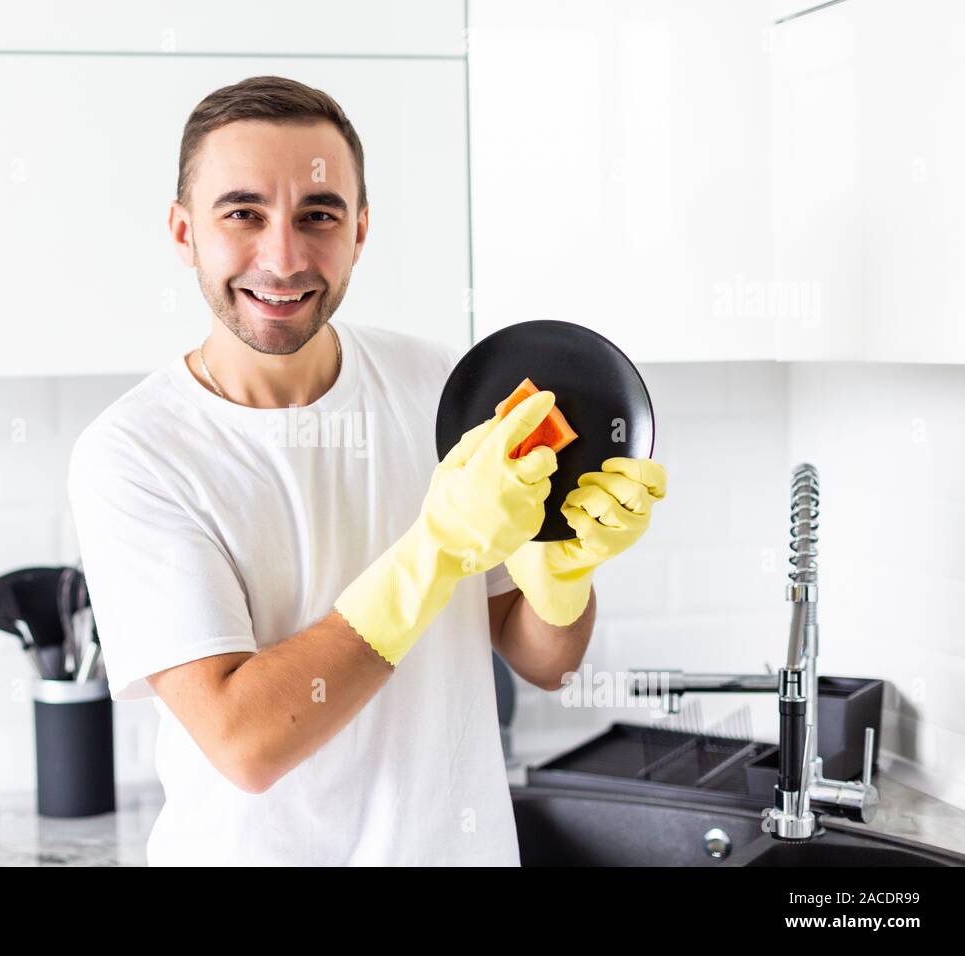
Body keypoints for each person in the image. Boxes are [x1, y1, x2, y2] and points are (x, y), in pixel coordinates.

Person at [67, 75, 667, 865]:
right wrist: (437, 549)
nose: (282, 258)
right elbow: (247, 743)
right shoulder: (135, 454)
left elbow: (544, 664)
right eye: (242, 213)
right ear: (184, 233)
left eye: (319, 215)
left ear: (360, 231)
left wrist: (561, 571)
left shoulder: (445, 388)